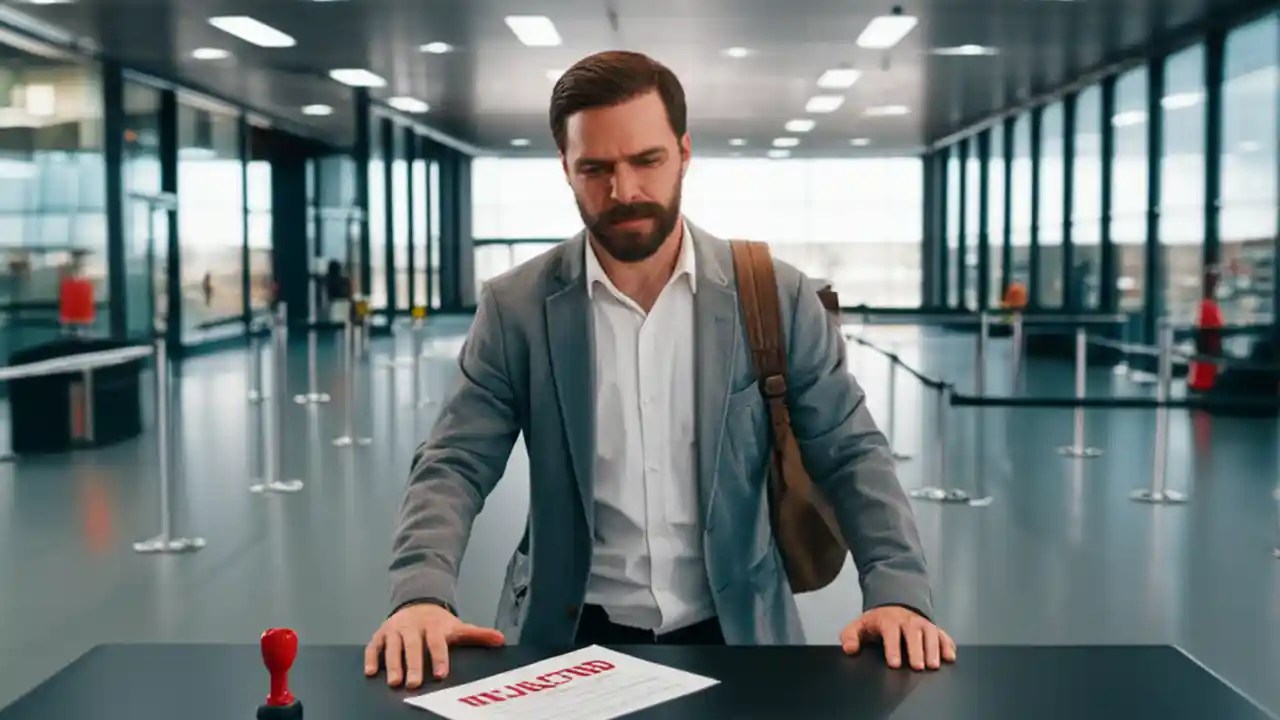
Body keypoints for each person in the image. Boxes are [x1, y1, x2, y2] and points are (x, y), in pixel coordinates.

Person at [365, 50, 955, 690]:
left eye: (646, 161)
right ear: (566, 168)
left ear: (684, 152)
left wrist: (896, 590)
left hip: (739, 636)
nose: (625, 193)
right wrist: (420, 593)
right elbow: (454, 462)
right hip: (569, 642)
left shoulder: (776, 297)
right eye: (596, 168)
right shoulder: (517, 309)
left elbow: (850, 453)